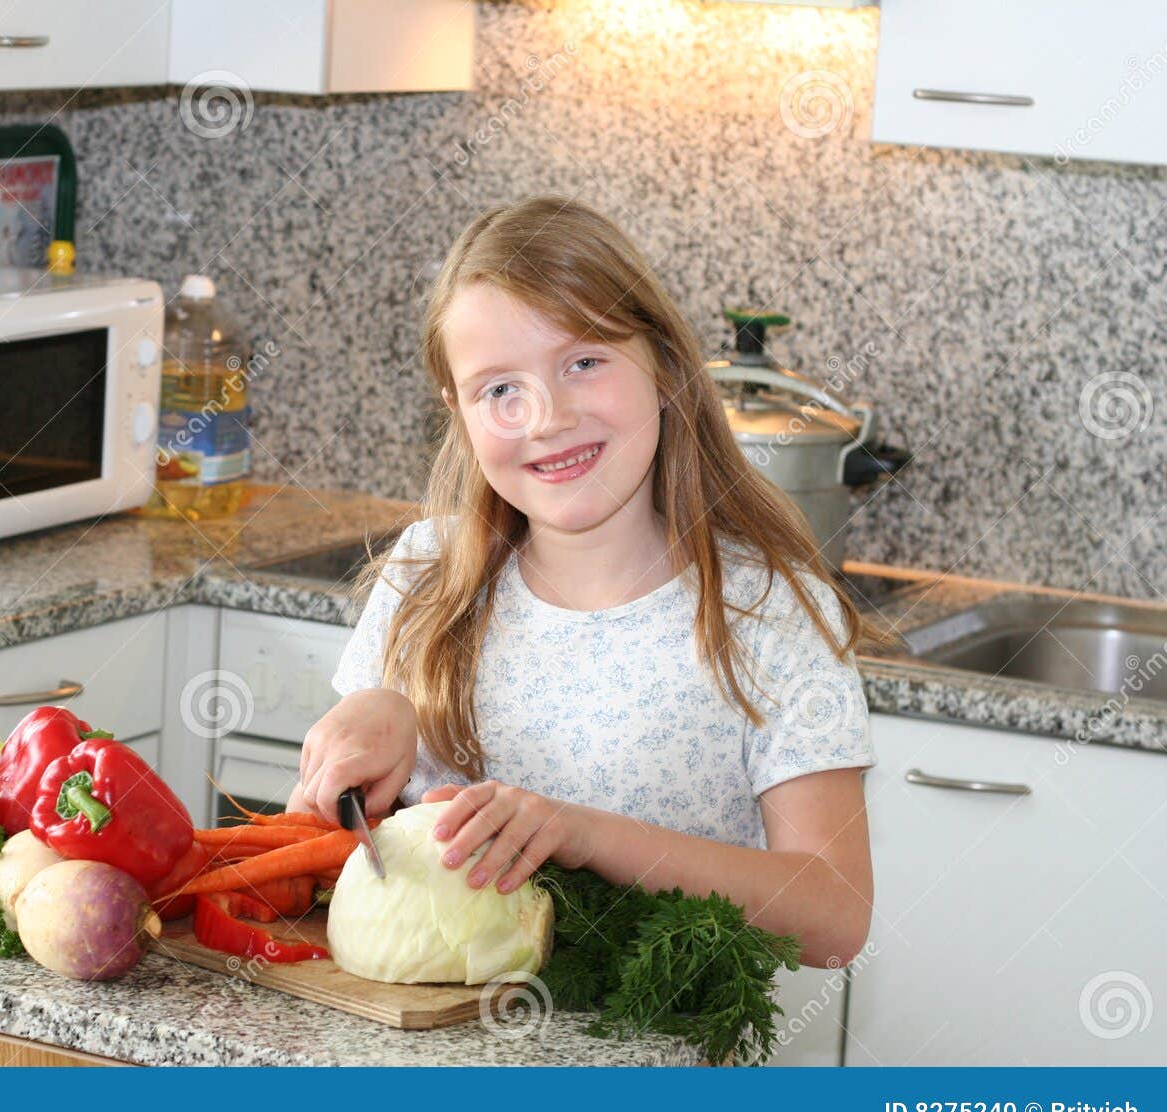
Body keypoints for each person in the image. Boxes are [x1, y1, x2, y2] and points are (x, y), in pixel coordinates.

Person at [289, 195, 884, 967]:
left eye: (583, 362)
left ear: (666, 365)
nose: (547, 417)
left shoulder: (766, 609)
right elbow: (330, 877)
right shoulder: (424, 576)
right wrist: (363, 735)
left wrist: (585, 835)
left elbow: (833, 916)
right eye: (499, 389)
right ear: (458, 412)